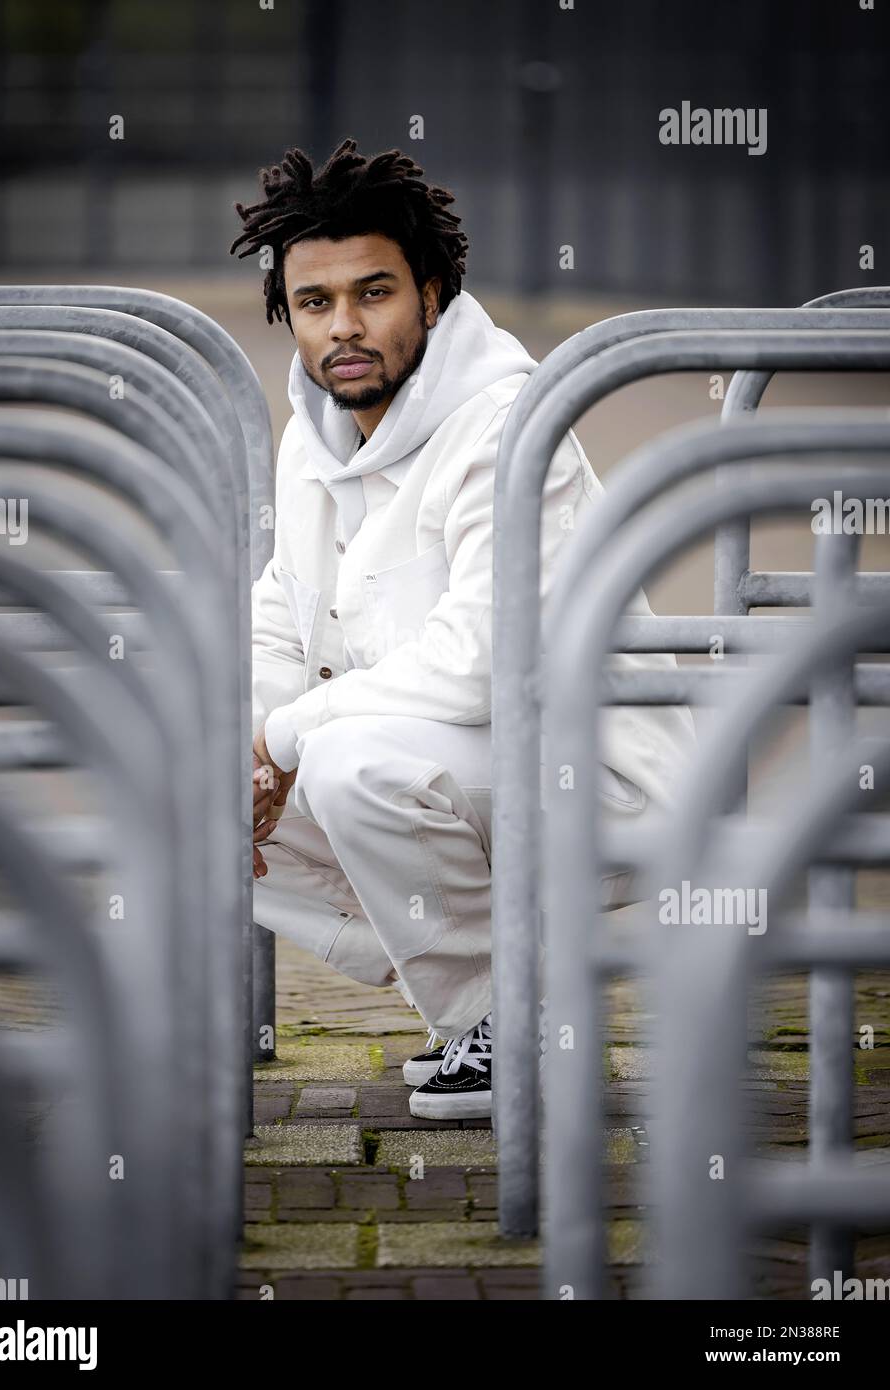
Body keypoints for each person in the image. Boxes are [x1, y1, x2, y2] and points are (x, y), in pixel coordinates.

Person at [230, 138, 695, 1120]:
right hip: (455, 770)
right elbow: (281, 610)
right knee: (195, 783)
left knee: (351, 762)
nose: (344, 326)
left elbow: (475, 666)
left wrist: (283, 739)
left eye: (375, 292)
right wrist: (250, 742)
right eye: (315, 303)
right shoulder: (309, 433)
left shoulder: (505, 426)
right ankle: (478, 999)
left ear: (431, 295)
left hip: (595, 780)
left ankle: (513, 1030)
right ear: (288, 315)